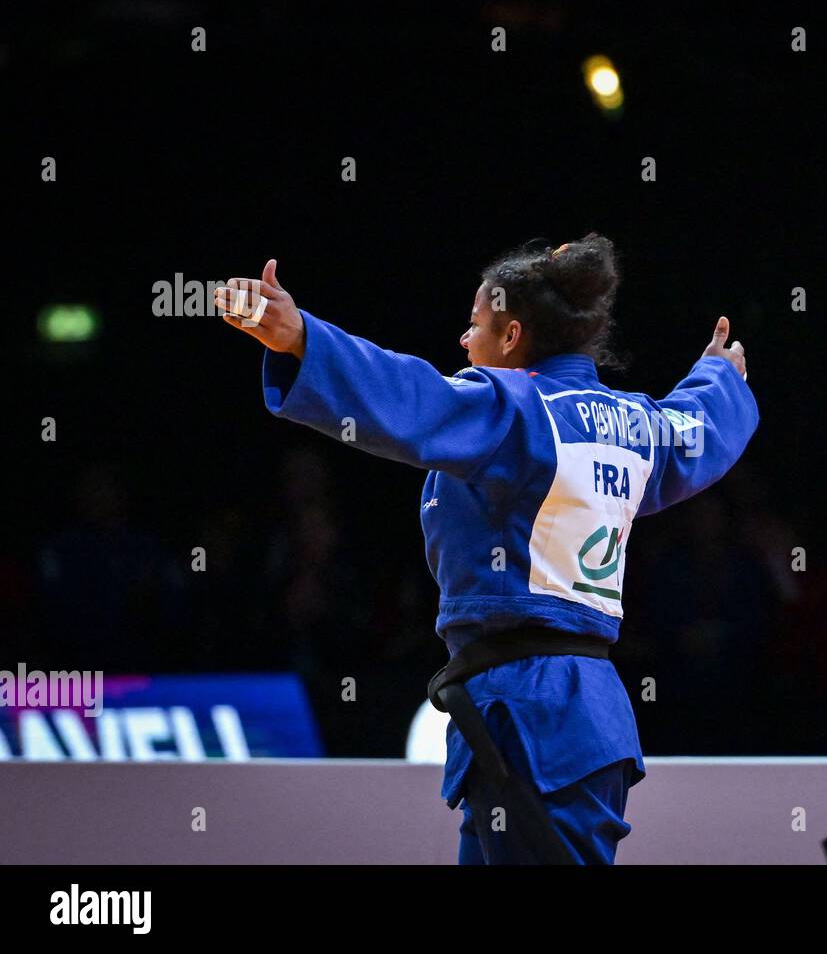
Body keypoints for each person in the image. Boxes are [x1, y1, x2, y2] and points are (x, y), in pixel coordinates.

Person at [216, 234, 758, 863]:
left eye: (475, 325)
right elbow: (699, 429)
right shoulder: (633, 424)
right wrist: (720, 374)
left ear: (511, 337)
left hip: (531, 718)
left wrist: (302, 338)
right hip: (568, 717)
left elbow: (413, 396)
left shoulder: (518, 411)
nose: (463, 342)